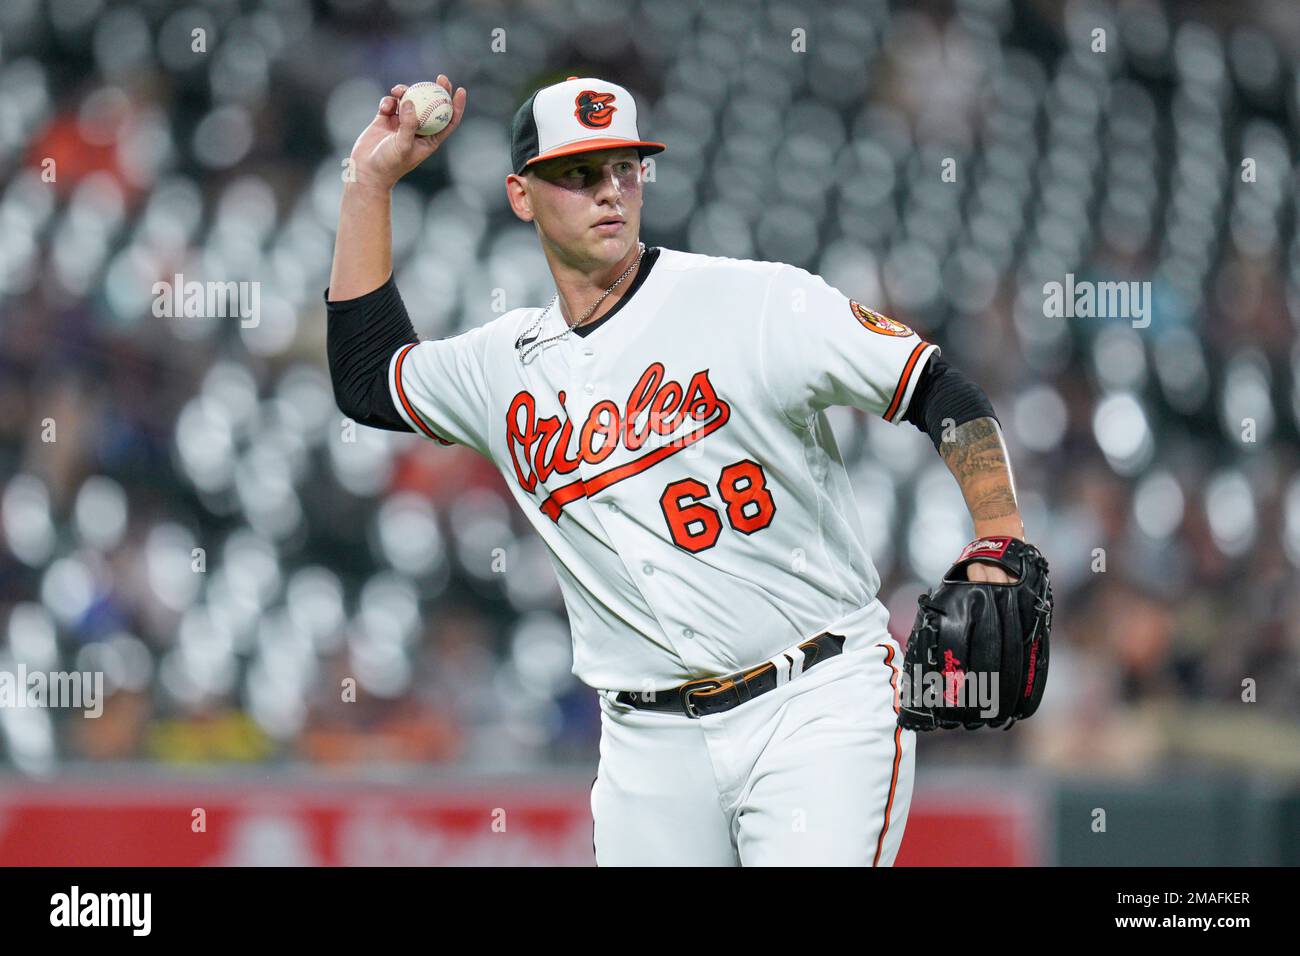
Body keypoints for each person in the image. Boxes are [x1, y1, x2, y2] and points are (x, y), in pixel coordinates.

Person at [326, 75, 1026, 866]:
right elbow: (367, 379)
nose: (609, 193)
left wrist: (1000, 538)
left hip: (815, 704)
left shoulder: (755, 302)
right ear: (522, 196)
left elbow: (941, 388)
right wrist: (368, 182)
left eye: (625, 168)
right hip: (646, 745)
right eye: (579, 174)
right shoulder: (501, 365)